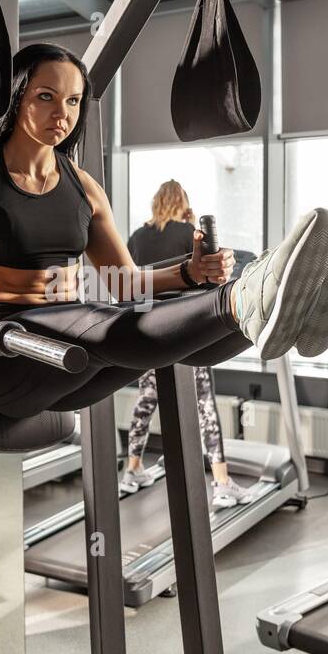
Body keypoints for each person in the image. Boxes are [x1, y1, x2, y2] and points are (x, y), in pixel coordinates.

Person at [0, 43, 328, 490]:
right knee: (104, 321)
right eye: (46, 96)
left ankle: (283, 312)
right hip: (7, 358)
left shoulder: (83, 188)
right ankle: (242, 299)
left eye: (73, 100)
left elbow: (126, 285)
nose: (61, 113)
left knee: (160, 333)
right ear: (18, 96)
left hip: (70, 359)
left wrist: (191, 274)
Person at [122, 180, 252, 509]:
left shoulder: (138, 237)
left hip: (149, 332)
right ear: (183, 203)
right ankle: (222, 482)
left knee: (146, 399)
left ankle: (132, 469)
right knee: (205, 403)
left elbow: (127, 284)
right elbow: (208, 278)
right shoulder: (188, 233)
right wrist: (193, 225)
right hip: (186, 330)